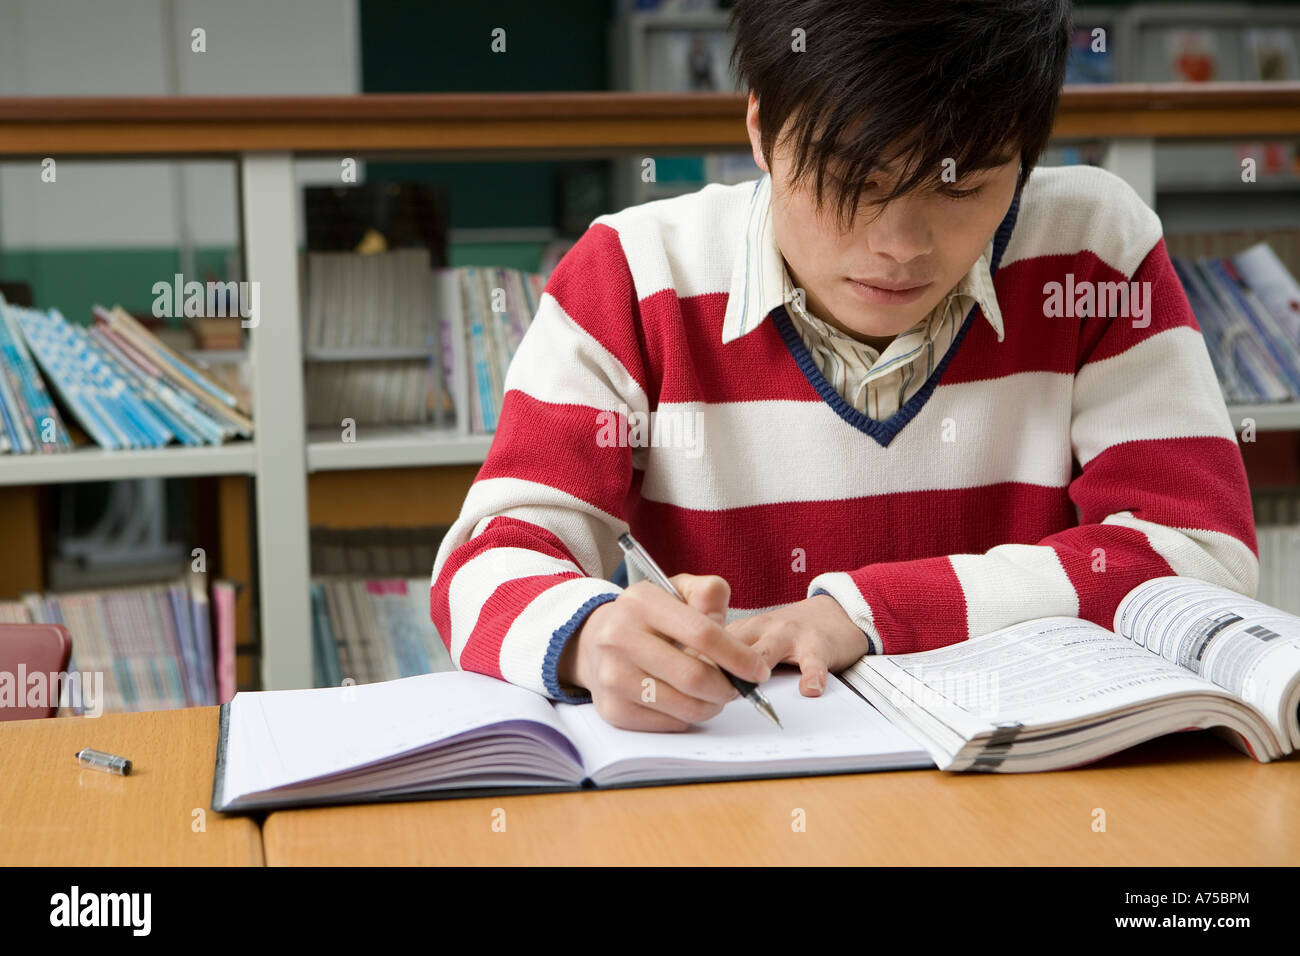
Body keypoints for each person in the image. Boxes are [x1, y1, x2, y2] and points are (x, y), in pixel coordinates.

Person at [431, 0, 1257, 731]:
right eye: (849, 179)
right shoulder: (633, 275)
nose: (900, 245)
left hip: (1023, 796)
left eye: (962, 186)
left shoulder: (1091, 253)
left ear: (1027, 160)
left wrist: (867, 612)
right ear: (760, 129)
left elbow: (1200, 553)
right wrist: (584, 634)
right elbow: (485, 565)